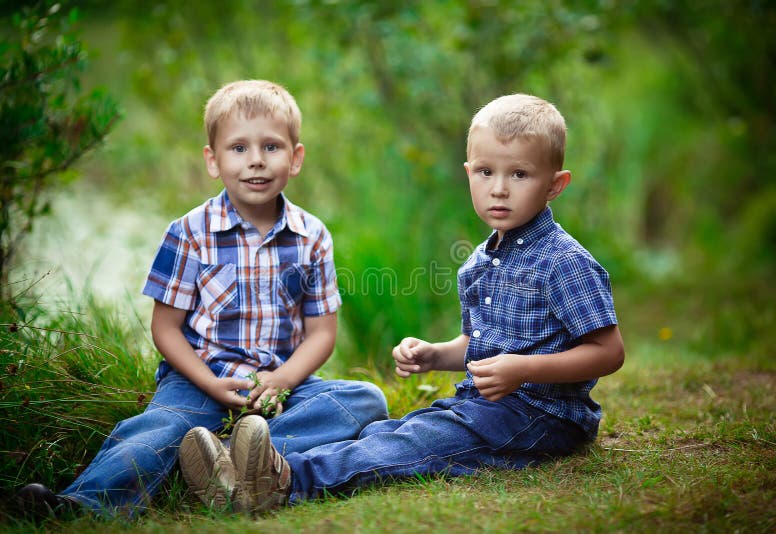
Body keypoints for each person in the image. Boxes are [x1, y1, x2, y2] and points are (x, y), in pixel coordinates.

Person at [181, 93, 626, 513]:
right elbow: (480, 346)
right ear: (468, 172)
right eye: (486, 173)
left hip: (542, 416)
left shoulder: (563, 262)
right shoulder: (478, 263)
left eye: (520, 175)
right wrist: (436, 355)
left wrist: (523, 369)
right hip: (484, 407)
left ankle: (284, 483)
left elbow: (608, 353)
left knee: (413, 443)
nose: (499, 190)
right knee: (385, 431)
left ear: (555, 185)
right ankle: (238, 471)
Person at [15, 79, 388, 518]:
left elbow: (322, 334)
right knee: (160, 427)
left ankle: (232, 458)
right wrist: (209, 383)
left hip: (278, 385)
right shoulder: (189, 233)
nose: (255, 162)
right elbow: (165, 328)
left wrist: (283, 380)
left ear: (296, 157)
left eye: (271, 147)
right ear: (213, 160)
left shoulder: (312, 237)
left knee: (364, 400)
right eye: (238, 149)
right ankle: (81, 505)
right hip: (199, 377)